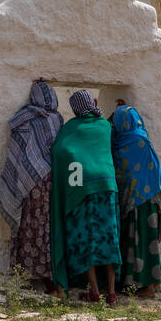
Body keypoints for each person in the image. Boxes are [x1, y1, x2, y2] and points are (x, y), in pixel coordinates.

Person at [50, 89, 122, 305]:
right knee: (109, 238)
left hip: (82, 190)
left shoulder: (71, 128)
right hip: (108, 187)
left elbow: (60, 150)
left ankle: (94, 292)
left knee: (86, 239)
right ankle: (111, 292)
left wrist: (73, 173)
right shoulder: (104, 126)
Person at [0, 79, 63, 294]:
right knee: (46, 227)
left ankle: (25, 273)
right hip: (50, 182)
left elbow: (18, 147)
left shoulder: (24, 118)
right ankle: (48, 277)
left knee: (25, 225)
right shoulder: (56, 120)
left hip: (27, 183)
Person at [110, 99, 161, 298]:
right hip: (150, 199)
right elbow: (156, 171)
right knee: (147, 243)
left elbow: (120, 173)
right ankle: (149, 285)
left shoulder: (120, 144)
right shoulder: (144, 139)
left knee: (132, 241)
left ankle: (135, 285)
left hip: (132, 202)